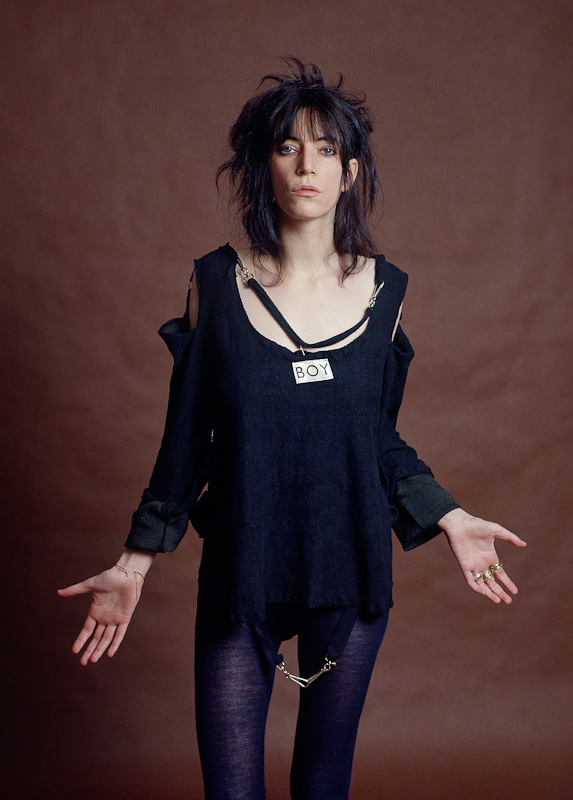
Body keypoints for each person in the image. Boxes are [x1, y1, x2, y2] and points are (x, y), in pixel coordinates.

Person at [58, 58, 527, 800]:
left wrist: (450, 517)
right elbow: (187, 441)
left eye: (326, 149)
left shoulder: (385, 292)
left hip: (350, 569)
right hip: (243, 569)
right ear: (263, 166)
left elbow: (375, 440)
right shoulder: (214, 283)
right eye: (287, 146)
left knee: (322, 784)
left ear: (350, 171)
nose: (306, 165)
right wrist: (134, 564)